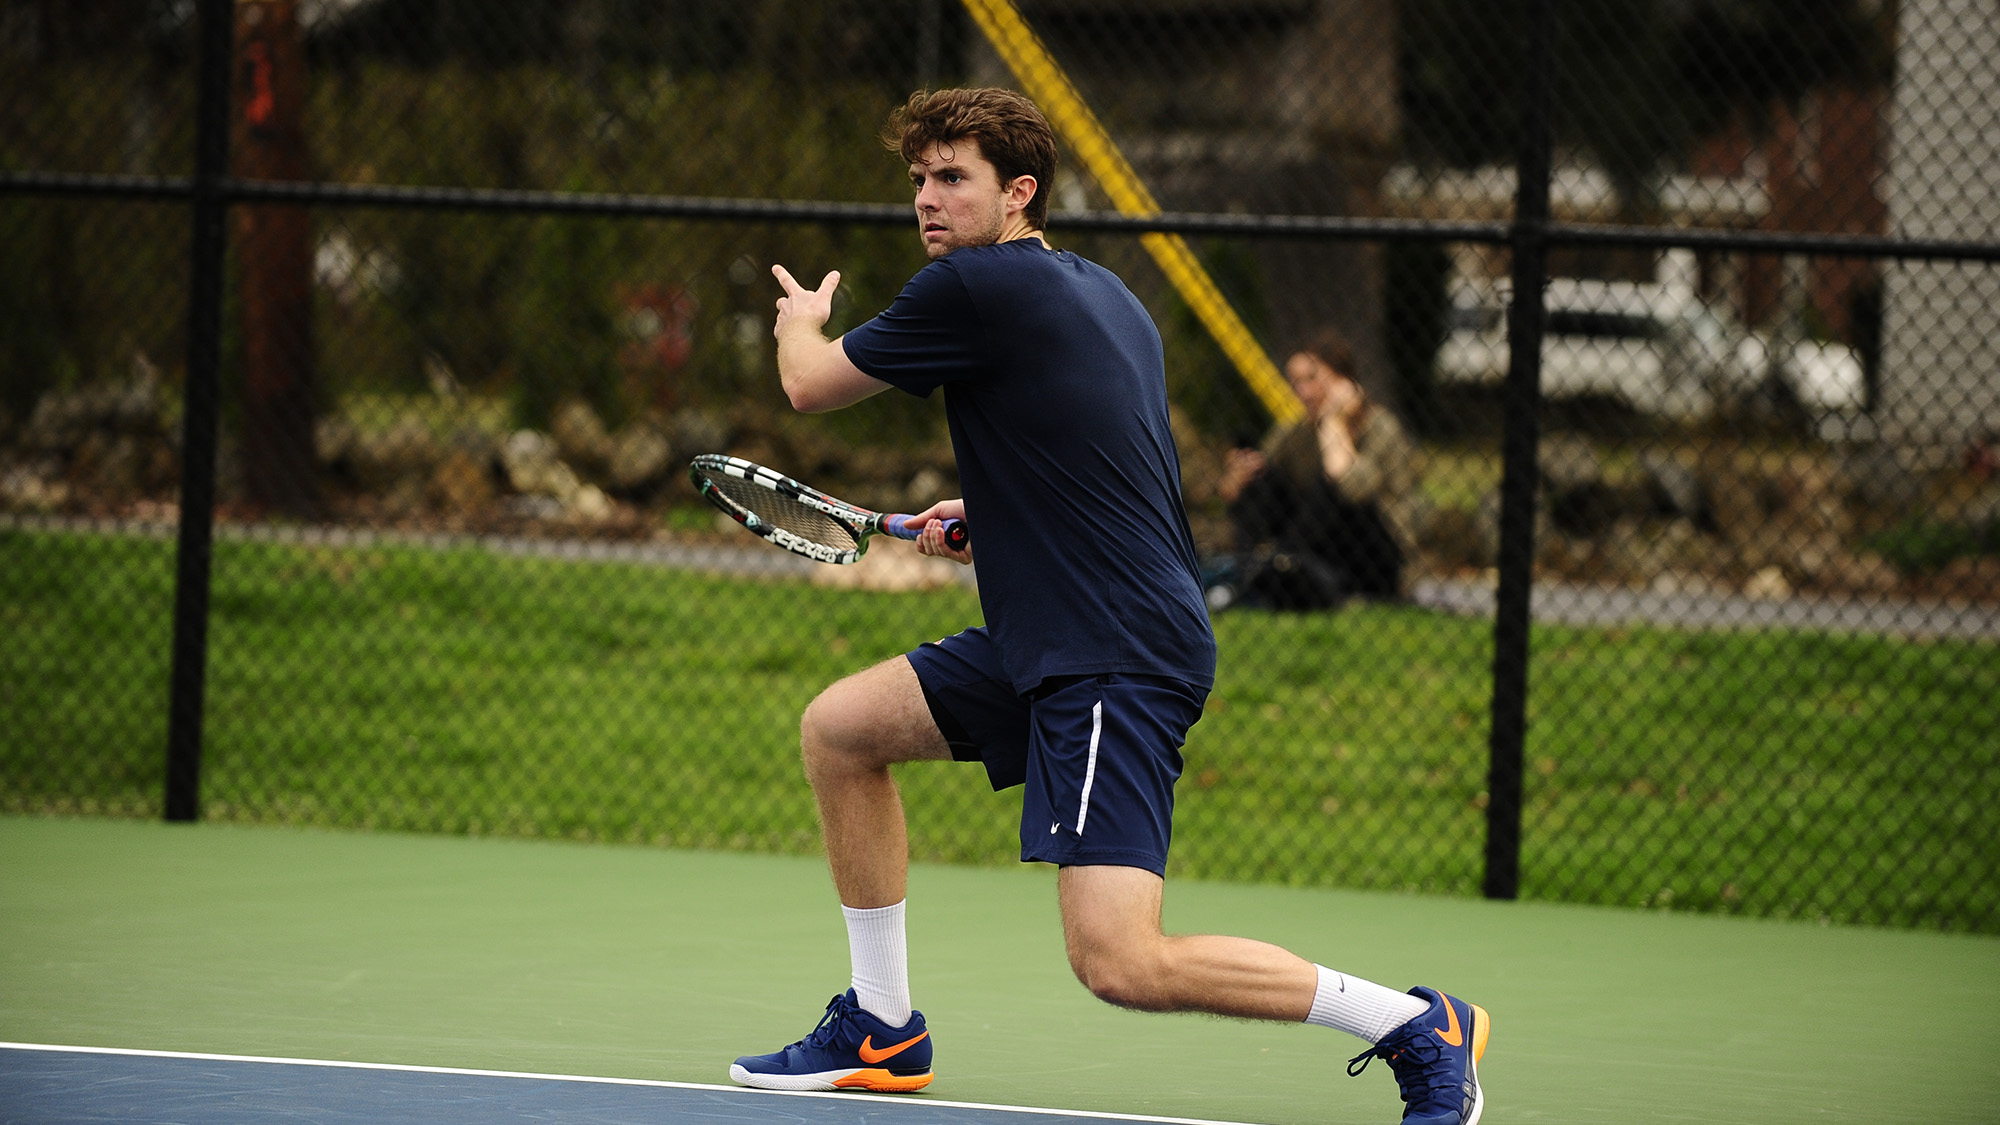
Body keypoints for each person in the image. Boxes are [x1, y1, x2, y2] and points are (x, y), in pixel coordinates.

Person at [729, 87, 1488, 1125]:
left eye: (953, 178)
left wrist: (799, 324)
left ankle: (1410, 1024)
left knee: (1119, 960)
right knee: (841, 732)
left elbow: (810, 385)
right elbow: (1103, 473)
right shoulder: (1107, 297)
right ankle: (880, 1024)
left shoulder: (970, 288)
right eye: (918, 180)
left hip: (1110, 656)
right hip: (1061, 635)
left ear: (1019, 192)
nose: (927, 200)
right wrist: (991, 521)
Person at [1213, 330, 1420, 611]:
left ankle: (1276, 566)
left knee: (1330, 488)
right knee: (1267, 479)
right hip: (1322, 544)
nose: (1303, 392)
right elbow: (1244, 487)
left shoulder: (1379, 426)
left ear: (1342, 382)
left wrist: (1334, 422)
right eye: (1296, 382)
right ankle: (1246, 570)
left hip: (1379, 547)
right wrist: (1240, 474)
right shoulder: (1298, 431)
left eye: (1312, 379)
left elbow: (1351, 487)